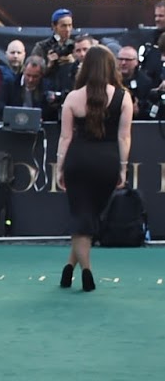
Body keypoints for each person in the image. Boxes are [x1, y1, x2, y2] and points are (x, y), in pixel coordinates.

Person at [56, 44, 132, 293]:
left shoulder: (72, 98)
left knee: (82, 219)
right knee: (87, 219)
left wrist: (59, 168)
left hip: (79, 161)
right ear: (111, 67)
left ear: (85, 67)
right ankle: (68, 270)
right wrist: (122, 168)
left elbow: (65, 138)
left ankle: (86, 272)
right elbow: (124, 138)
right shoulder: (123, 97)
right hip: (107, 163)